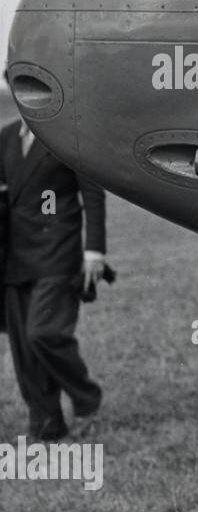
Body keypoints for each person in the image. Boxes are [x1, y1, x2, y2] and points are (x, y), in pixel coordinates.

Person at [0, 113, 108, 441]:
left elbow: (92, 195)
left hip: (58, 252)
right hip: (14, 257)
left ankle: (87, 399)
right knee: (24, 348)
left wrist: (95, 252)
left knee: (43, 333)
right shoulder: (4, 137)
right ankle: (46, 423)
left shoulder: (67, 134)